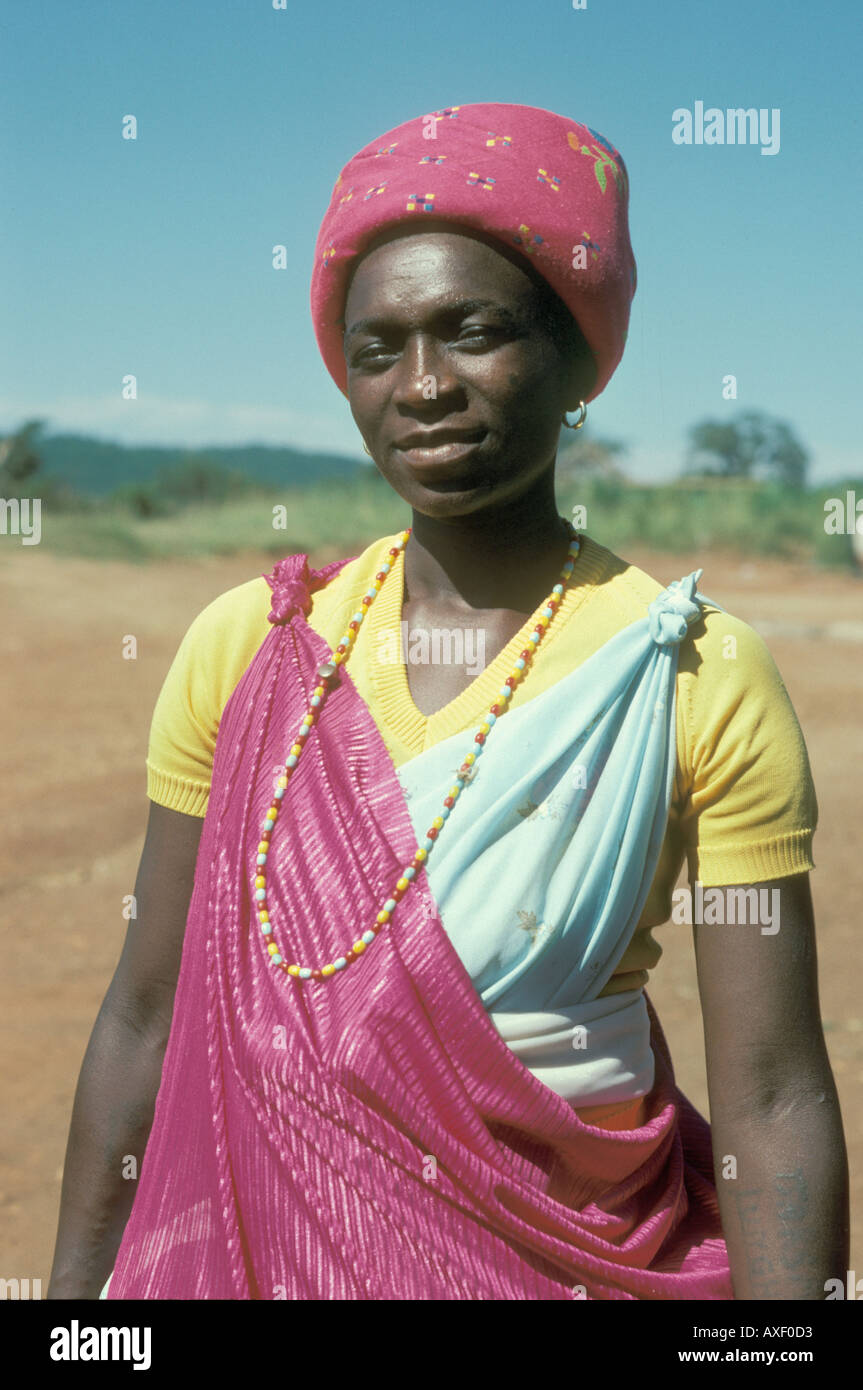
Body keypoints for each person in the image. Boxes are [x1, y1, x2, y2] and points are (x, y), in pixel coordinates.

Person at [48, 101, 848, 1301]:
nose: (422, 386)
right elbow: (143, 1021)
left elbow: (773, 1090)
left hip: (557, 1264)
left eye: (472, 333)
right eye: (379, 350)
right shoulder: (250, 651)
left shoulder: (689, 672)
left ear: (575, 358)